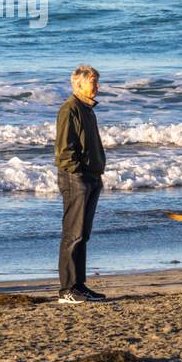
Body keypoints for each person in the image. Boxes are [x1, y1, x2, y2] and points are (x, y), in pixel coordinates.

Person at [55, 65, 107, 303]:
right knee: (72, 235)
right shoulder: (70, 110)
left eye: (96, 82)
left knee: (83, 235)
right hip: (76, 179)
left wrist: (96, 174)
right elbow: (64, 153)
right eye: (93, 82)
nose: (96, 86)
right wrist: (81, 175)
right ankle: (67, 289)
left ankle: (79, 285)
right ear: (79, 85)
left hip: (91, 178)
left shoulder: (87, 109)